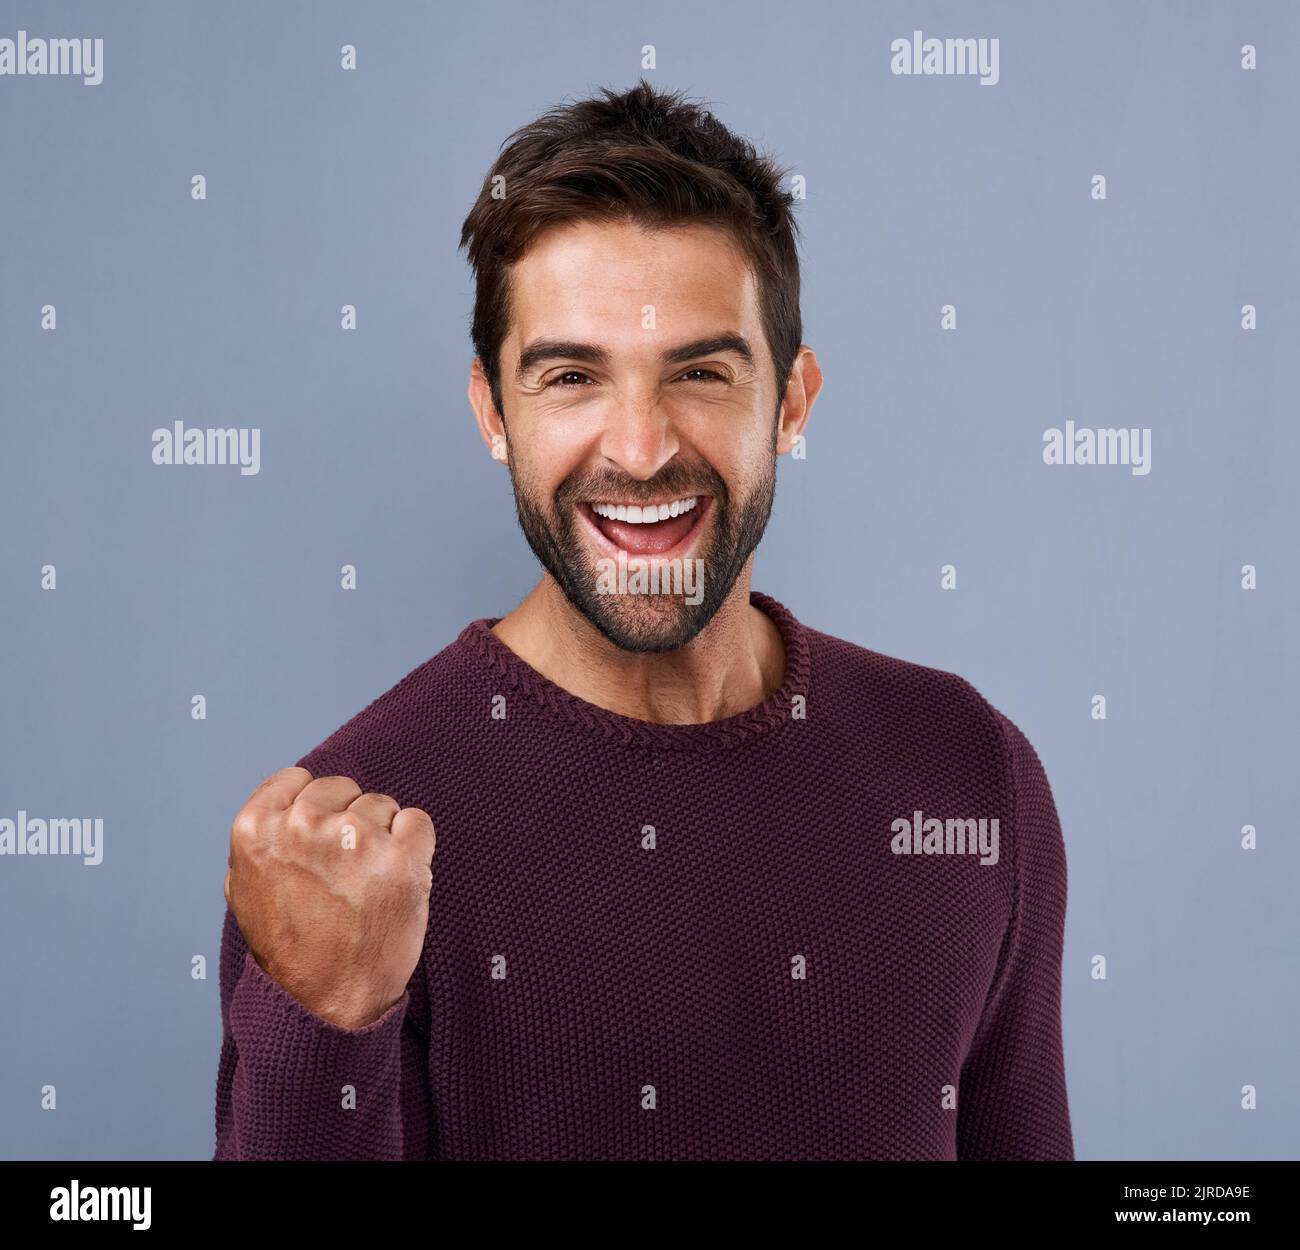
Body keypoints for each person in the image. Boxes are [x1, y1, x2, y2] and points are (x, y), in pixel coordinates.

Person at [214, 79, 1073, 1161]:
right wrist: (319, 1025)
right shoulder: (346, 849)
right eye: (571, 375)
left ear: (792, 401)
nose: (638, 446)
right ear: (493, 411)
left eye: (700, 372)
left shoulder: (967, 769)